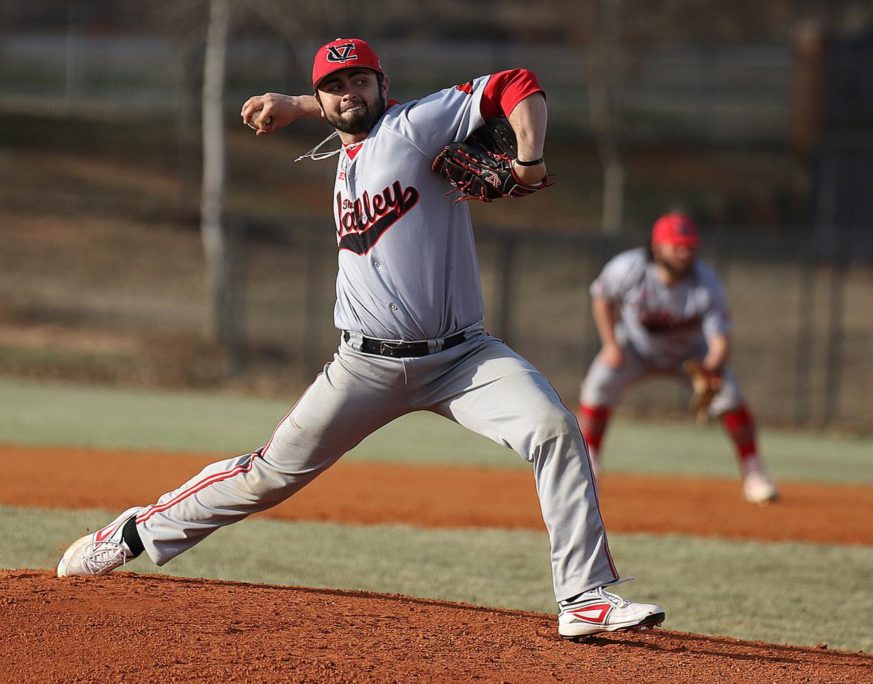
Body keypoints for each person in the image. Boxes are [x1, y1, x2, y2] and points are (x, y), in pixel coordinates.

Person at [57, 37, 665, 640]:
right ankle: (131, 534)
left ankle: (583, 597)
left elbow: (516, 82)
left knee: (555, 429)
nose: (350, 93)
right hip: (364, 367)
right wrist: (295, 105)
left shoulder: (415, 126)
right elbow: (339, 110)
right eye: (335, 85)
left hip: (464, 358)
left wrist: (528, 159)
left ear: (382, 83)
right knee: (266, 477)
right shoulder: (346, 142)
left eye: (361, 80)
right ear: (323, 96)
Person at [577, 211, 779, 504]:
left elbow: (721, 337)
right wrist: (610, 345)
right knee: (598, 385)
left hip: (690, 355)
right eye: (678, 246)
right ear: (658, 248)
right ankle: (590, 464)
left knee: (731, 398)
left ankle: (754, 473)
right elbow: (602, 297)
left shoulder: (705, 281)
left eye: (690, 246)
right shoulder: (628, 267)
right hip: (636, 347)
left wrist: (711, 368)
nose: (685, 253)